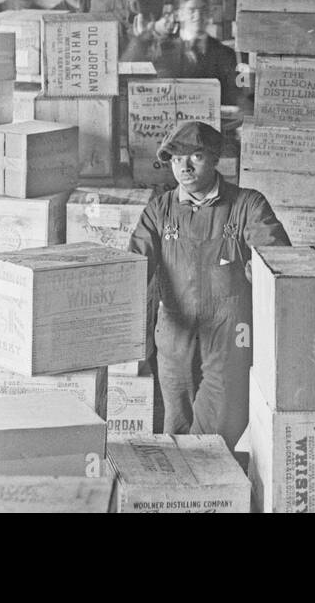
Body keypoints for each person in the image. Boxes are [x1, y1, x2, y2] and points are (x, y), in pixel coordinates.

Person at [128, 121, 289, 449]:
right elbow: (133, 265)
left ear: (215, 159)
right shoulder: (160, 210)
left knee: (213, 435)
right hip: (175, 338)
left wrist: (252, 269)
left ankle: (213, 495)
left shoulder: (247, 204)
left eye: (195, 156)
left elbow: (275, 258)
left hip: (229, 336)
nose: (184, 167)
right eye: (175, 159)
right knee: (175, 430)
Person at [154, 0, 240, 104]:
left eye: (203, 10)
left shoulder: (226, 54)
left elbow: (232, 97)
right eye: (191, 10)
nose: (198, 16)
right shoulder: (164, 50)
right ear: (180, 15)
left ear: (210, 14)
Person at [121, 0, 179, 64]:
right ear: (151, 17)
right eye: (167, 15)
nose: (172, 20)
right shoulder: (135, 44)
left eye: (175, 14)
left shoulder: (177, 41)